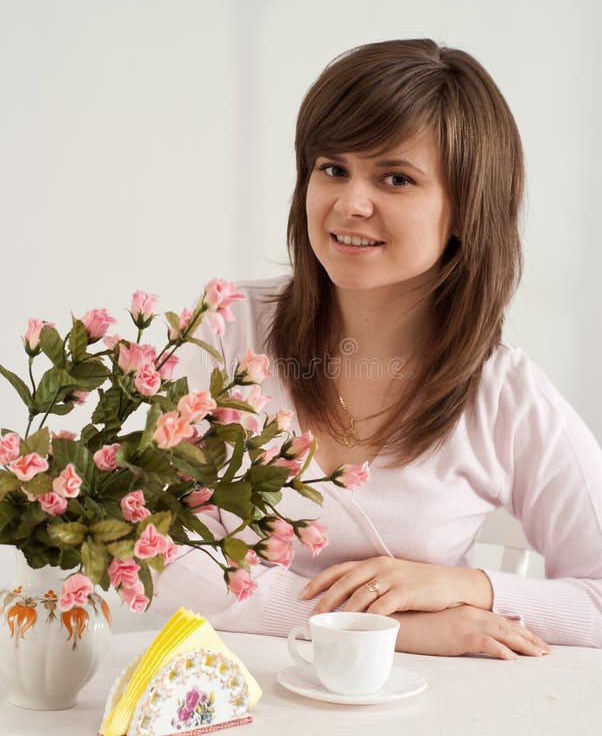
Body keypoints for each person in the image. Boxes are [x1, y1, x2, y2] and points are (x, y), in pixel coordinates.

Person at [152, 38, 602, 657]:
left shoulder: (502, 393)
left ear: (467, 209)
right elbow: (161, 554)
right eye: (332, 168)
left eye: (395, 178)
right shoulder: (229, 332)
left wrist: (466, 588)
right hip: (231, 705)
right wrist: (392, 631)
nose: (350, 204)